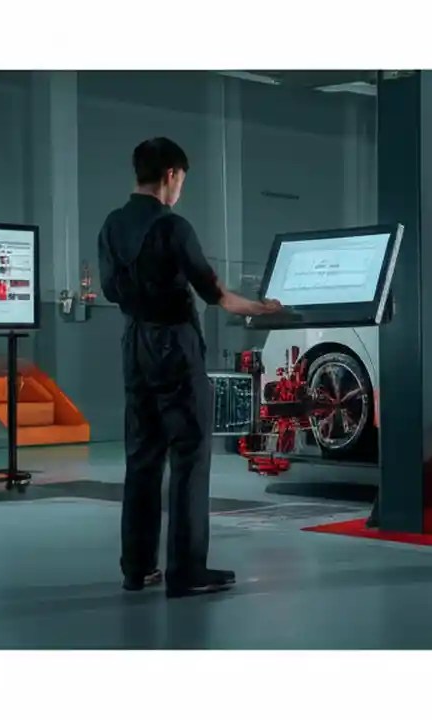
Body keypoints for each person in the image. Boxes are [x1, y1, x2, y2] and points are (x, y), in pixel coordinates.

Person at [97, 137, 282, 598]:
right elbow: (215, 294)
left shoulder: (112, 225)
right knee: (190, 455)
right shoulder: (173, 227)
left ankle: (137, 568)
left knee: (142, 457)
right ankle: (186, 570)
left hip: (134, 344)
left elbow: (110, 289)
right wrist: (263, 308)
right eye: (182, 180)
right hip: (174, 347)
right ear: (172, 175)